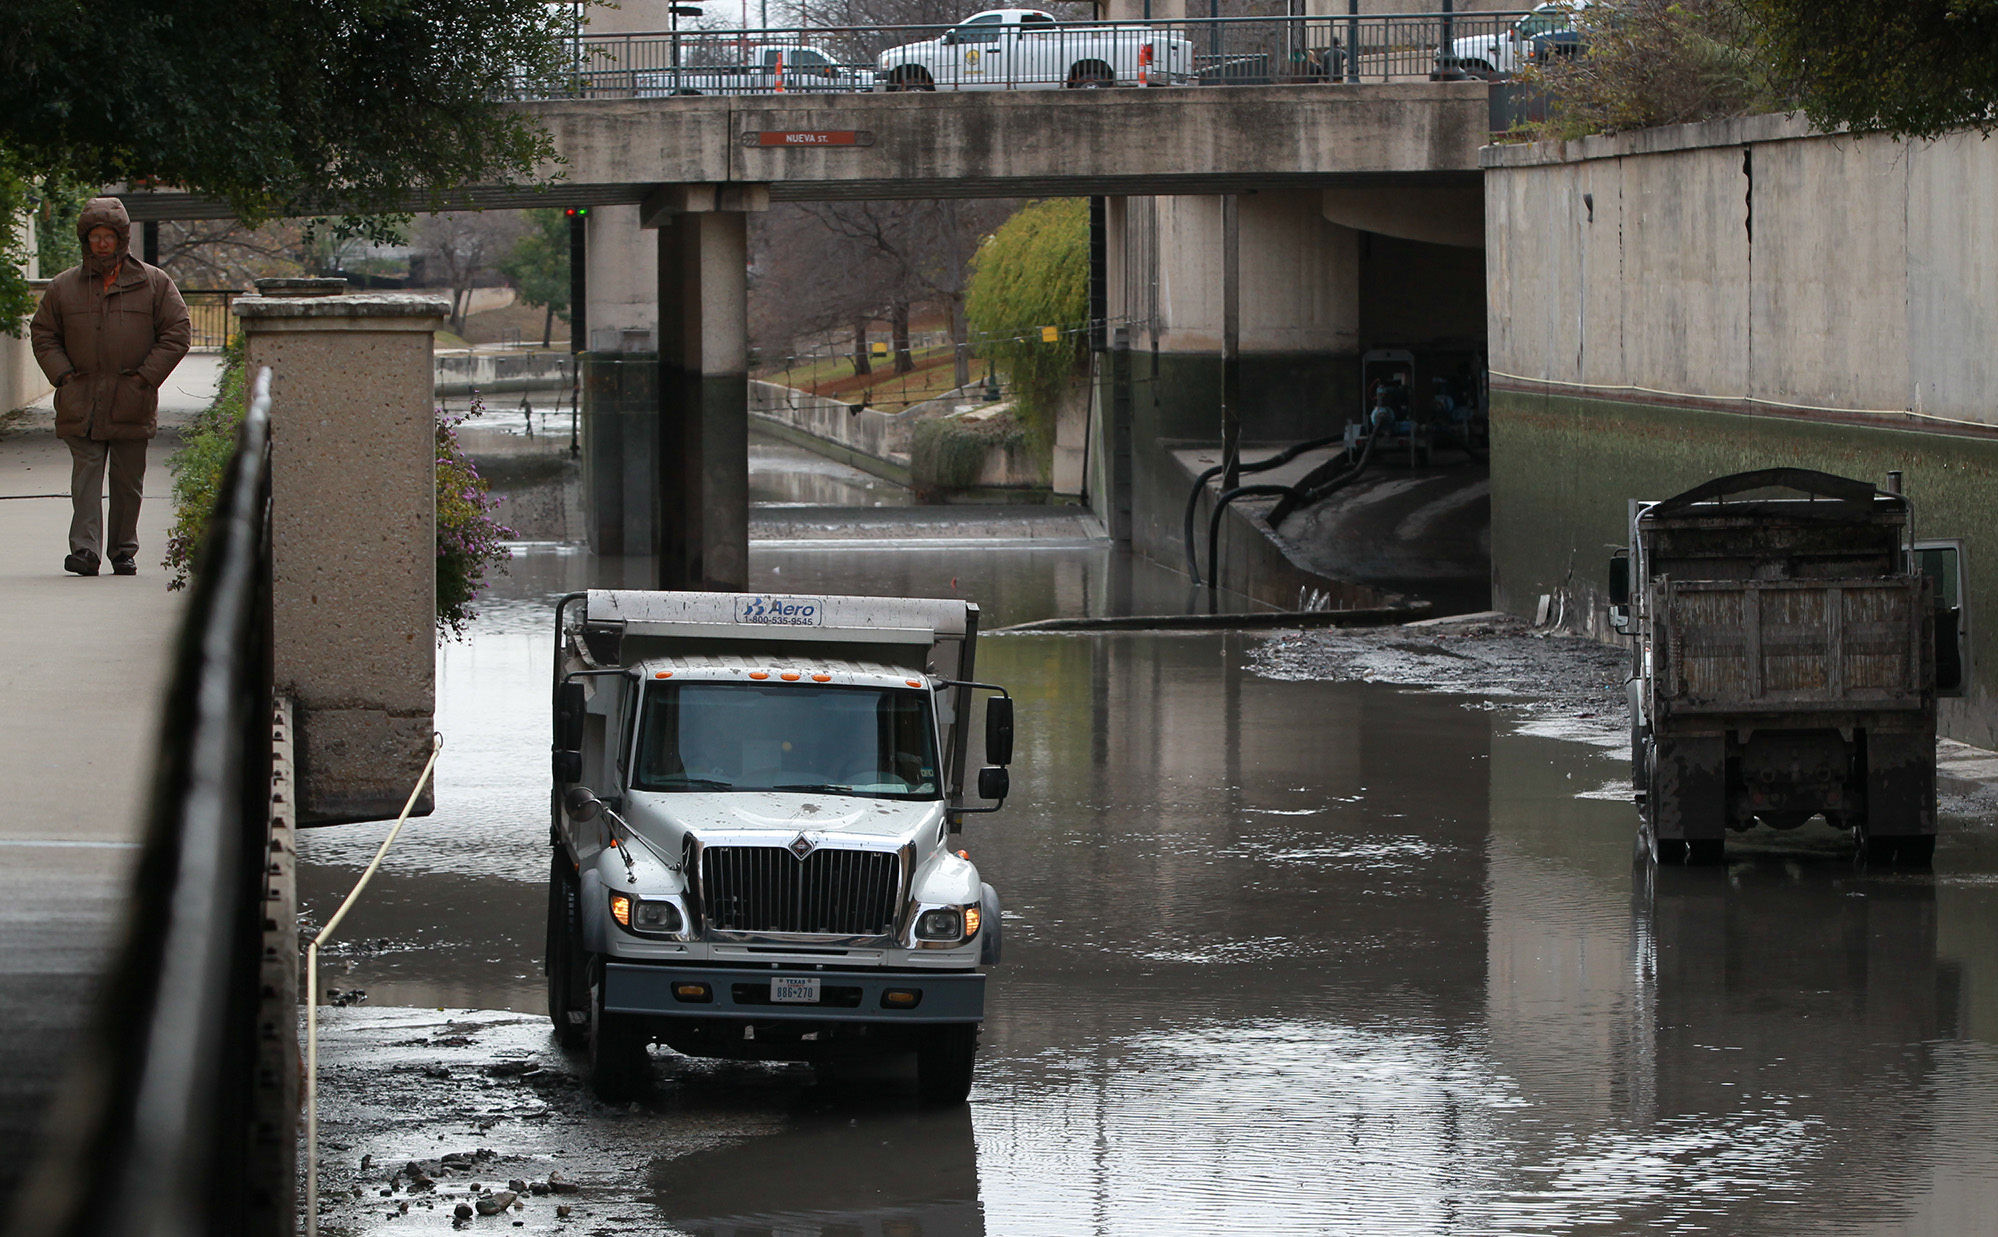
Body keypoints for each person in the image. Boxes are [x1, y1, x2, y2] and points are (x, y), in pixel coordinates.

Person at [30, 197, 191, 577]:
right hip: (80, 399)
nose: (102, 243)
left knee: (127, 481)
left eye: (109, 236)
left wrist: (144, 379)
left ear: (121, 238)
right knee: (86, 477)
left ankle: (123, 551)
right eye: (95, 236)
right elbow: (43, 333)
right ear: (85, 240)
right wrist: (64, 377)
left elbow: (177, 332)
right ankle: (85, 551)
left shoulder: (154, 282)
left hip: (131, 401)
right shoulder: (64, 286)